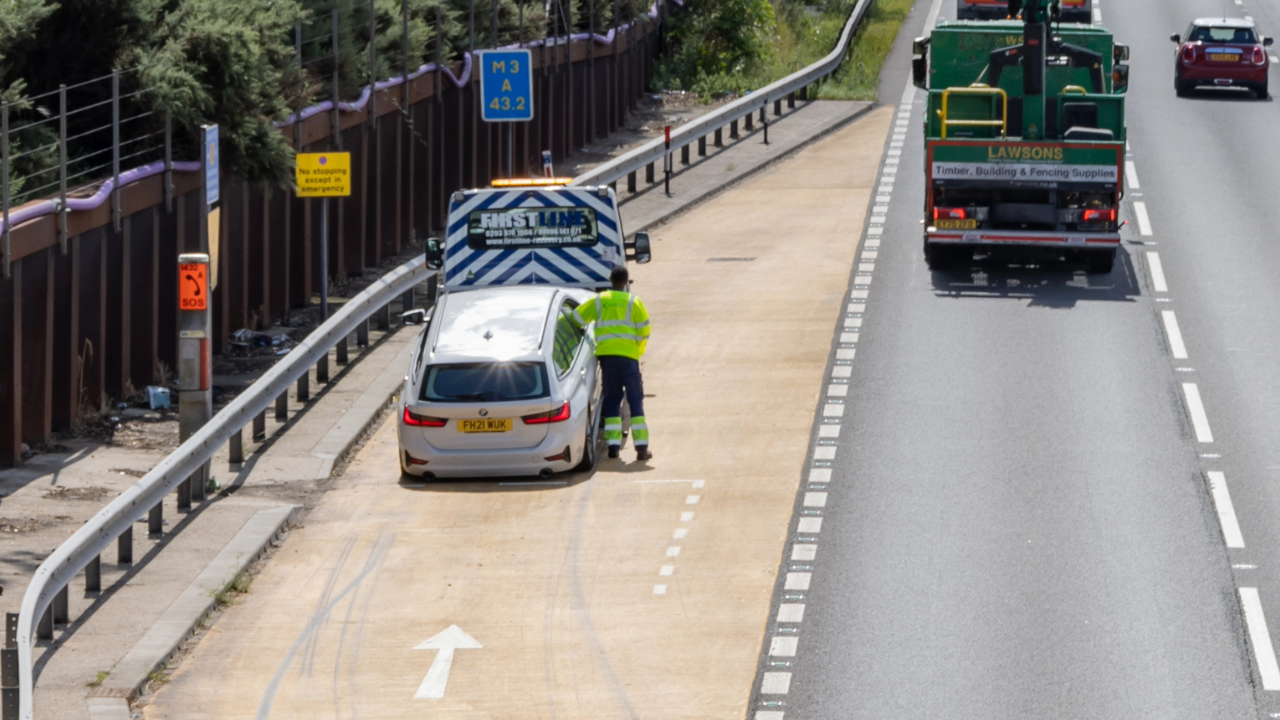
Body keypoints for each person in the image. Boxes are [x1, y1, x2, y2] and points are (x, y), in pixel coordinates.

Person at [573, 265, 652, 461]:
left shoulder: (599, 301)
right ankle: (641, 449)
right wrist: (637, 352)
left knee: (612, 400)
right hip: (629, 359)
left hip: (607, 359)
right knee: (635, 400)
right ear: (626, 281)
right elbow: (644, 331)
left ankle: (613, 447)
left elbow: (576, 318)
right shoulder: (634, 302)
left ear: (610, 280)